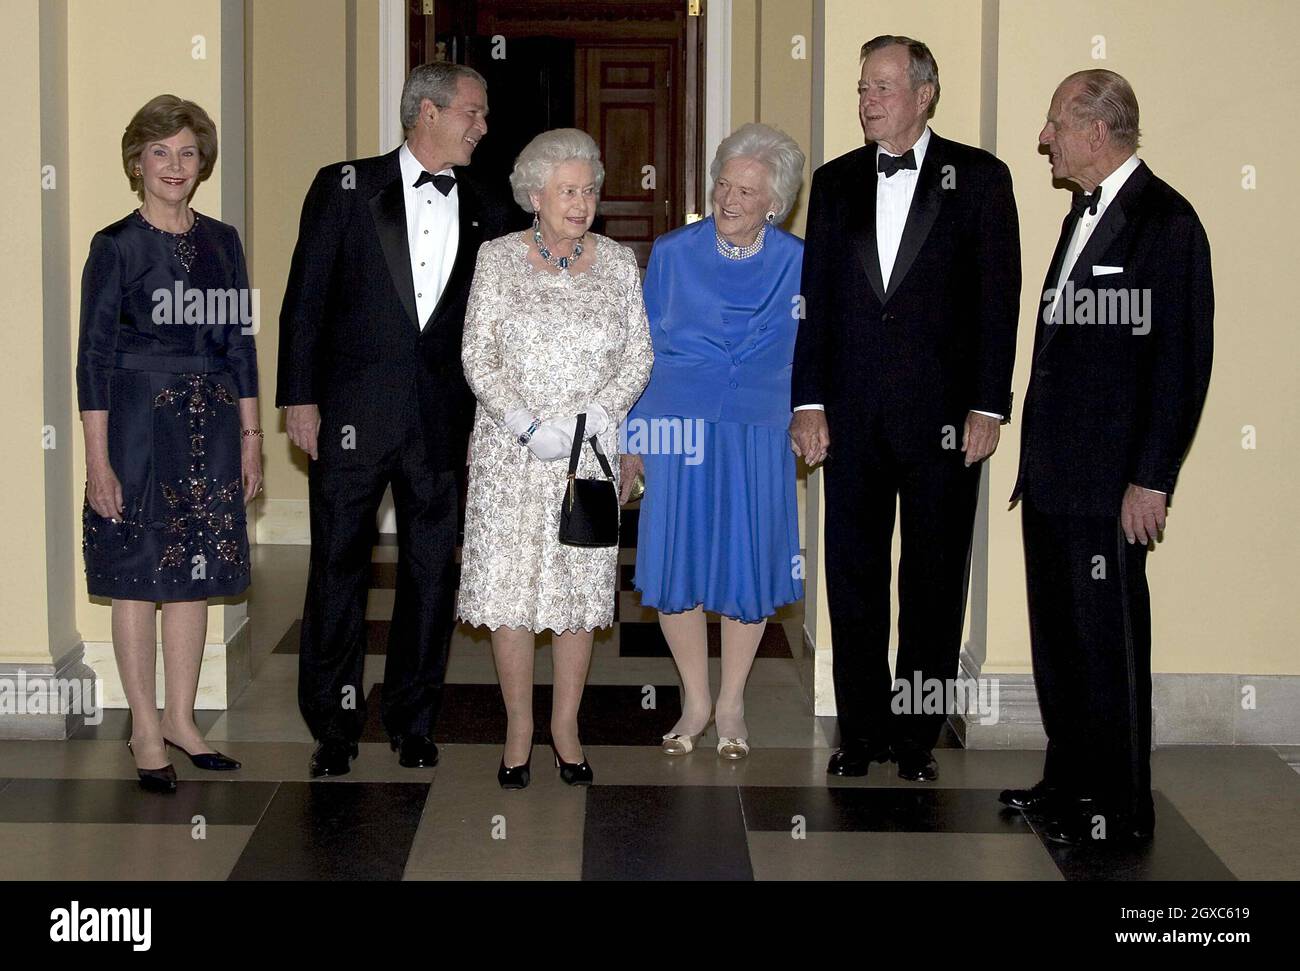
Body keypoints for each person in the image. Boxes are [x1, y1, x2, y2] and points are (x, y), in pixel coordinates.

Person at [790, 36, 1021, 782]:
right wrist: (808, 401)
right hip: (850, 418)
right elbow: (814, 303)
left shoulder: (981, 179)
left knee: (933, 576)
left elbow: (999, 299)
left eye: (883, 88)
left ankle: (916, 736)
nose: (868, 101)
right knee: (853, 574)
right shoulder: (834, 182)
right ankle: (859, 731)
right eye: (863, 89)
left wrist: (989, 403)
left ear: (925, 94)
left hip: (947, 423)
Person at [277, 63, 515, 778]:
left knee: (429, 575)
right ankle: (333, 725)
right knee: (337, 569)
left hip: (442, 423)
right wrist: (299, 397)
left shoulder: (487, 203)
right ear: (429, 112)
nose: (481, 125)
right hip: (350, 416)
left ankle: (413, 721)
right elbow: (305, 299)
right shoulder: (344, 186)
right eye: (472, 112)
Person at [1001, 70, 1213, 845]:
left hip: (1113, 480)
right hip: (1056, 473)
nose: (1044, 137)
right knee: (1059, 636)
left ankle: (1122, 804)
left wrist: (1152, 477)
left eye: (1056, 123)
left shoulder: (1167, 222)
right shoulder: (1080, 214)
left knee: (1111, 643)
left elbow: (1181, 364)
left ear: (1097, 132)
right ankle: (1067, 783)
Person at [459, 128, 653, 789]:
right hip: (510, 454)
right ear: (534, 195)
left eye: (590, 189)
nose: (582, 201)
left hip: (588, 453)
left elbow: (639, 355)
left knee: (577, 595)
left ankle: (566, 727)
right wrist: (523, 423)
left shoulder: (621, 262)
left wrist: (598, 416)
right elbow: (477, 354)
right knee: (512, 594)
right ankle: (519, 727)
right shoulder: (496, 258)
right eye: (568, 190)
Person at [78, 94, 257, 792]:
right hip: (134, 428)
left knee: (195, 573)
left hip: (210, 424)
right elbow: (92, 358)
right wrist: (98, 457)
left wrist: (248, 437)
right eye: (160, 152)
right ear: (136, 161)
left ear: (201, 161)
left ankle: (183, 720)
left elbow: (241, 345)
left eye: (186, 152)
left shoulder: (223, 241)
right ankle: (145, 729)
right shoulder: (115, 245)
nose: (174, 165)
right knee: (138, 575)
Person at [621, 123, 806, 760]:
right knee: (678, 561)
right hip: (675, 426)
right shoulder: (672, 253)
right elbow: (639, 351)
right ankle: (694, 699)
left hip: (758, 430)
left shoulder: (800, 261)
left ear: (774, 203)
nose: (729, 200)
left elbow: (818, 354)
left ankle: (732, 702)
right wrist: (631, 436)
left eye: (746, 192)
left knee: (746, 562)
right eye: (723, 184)